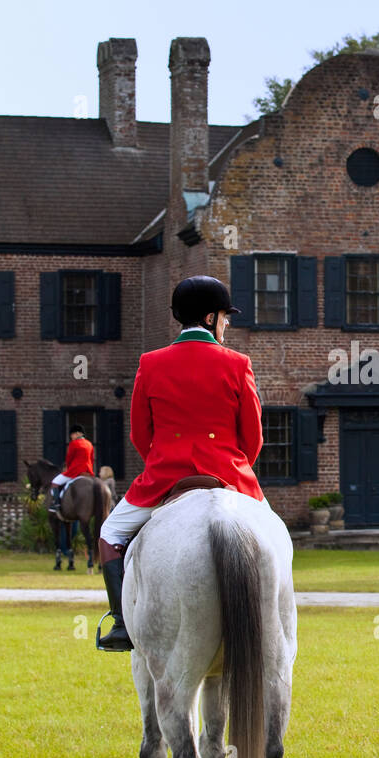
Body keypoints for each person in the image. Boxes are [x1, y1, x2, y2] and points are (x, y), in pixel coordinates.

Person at [96, 275, 264, 651]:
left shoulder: (150, 363)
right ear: (209, 318)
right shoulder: (238, 363)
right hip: (230, 476)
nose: (227, 324)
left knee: (110, 534)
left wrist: (164, 462)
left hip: (164, 478)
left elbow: (140, 434)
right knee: (275, 538)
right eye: (224, 316)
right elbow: (253, 438)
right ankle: (275, 615)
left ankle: (122, 622)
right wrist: (234, 466)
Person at [47, 424, 95, 513]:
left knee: (55, 482)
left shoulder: (74, 444)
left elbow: (69, 459)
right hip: (88, 472)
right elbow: (92, 459)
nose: (71, 437)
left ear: (77, 433)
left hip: (75, 471)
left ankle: (56, 504)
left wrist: (68, 468)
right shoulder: (89, 444)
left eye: (71, 435)